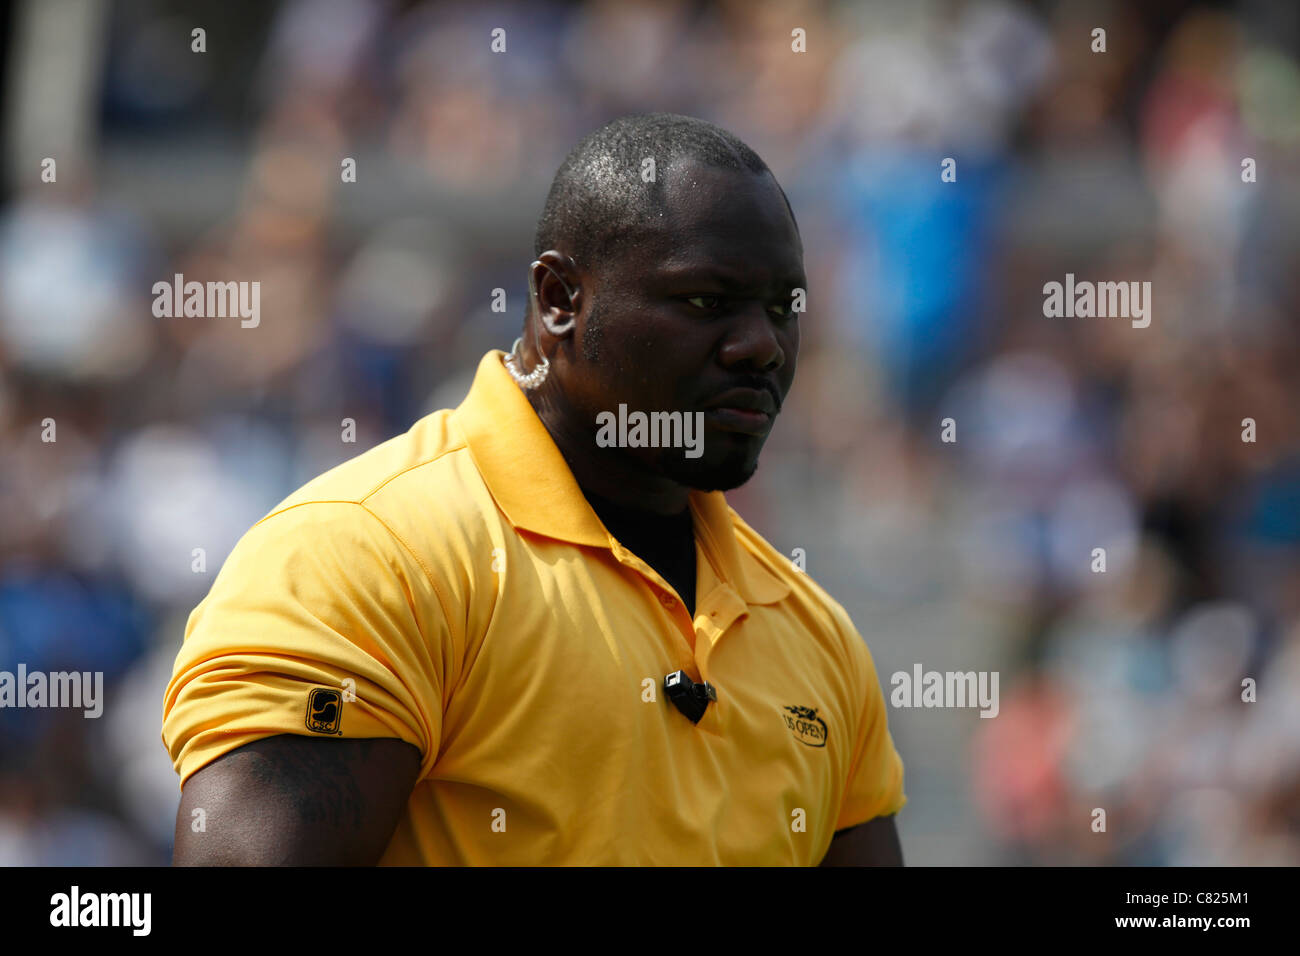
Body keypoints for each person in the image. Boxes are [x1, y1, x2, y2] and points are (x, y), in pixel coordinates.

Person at [162, 113, 906, 865]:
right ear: (559, 299)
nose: (762, 345)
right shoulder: (366, 555)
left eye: (783, 309)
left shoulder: (819, 638)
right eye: (706, 302)